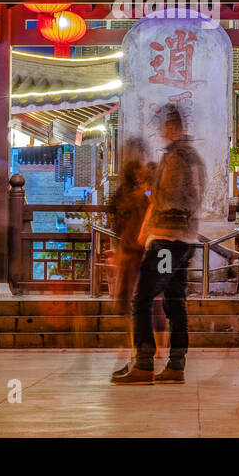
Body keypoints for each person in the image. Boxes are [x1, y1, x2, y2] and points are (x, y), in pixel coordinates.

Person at [111, 105, 204, 385]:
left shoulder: (177, 158)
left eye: (162, 125)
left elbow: (169, 200)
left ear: (171, 126)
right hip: (184, 239)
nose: (161, 131)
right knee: (175, 302)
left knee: (142, 299)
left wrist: (151, 185)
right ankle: (176, 364)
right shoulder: (193, 157)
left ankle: (144, 362)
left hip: (167, 239)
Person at [106, 145, 152, 372]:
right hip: (137, 251)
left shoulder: (134, 194)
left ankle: (140, 352)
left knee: (136, 303)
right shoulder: (138, 195)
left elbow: (114, 215)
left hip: (135, 251)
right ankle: (139, 350)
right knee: (137, 303)